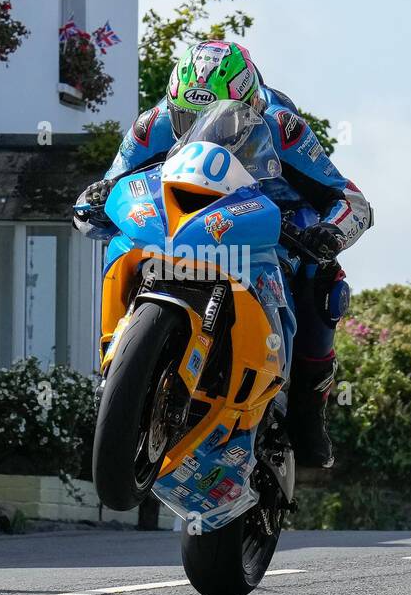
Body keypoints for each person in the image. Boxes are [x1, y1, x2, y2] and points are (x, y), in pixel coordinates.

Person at [72, 41, 371, 467]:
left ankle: (308, 409)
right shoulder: (153, 124)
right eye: (187, 118)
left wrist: (330, 233)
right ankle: (117, 361)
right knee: (125, 240)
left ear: (249, 104)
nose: (199, 128)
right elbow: (110, 184)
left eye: (221, 120)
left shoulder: (281, 125)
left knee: (324, 284)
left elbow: (350, 198)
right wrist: (95, 200)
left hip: (269, 216)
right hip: (182, 215)